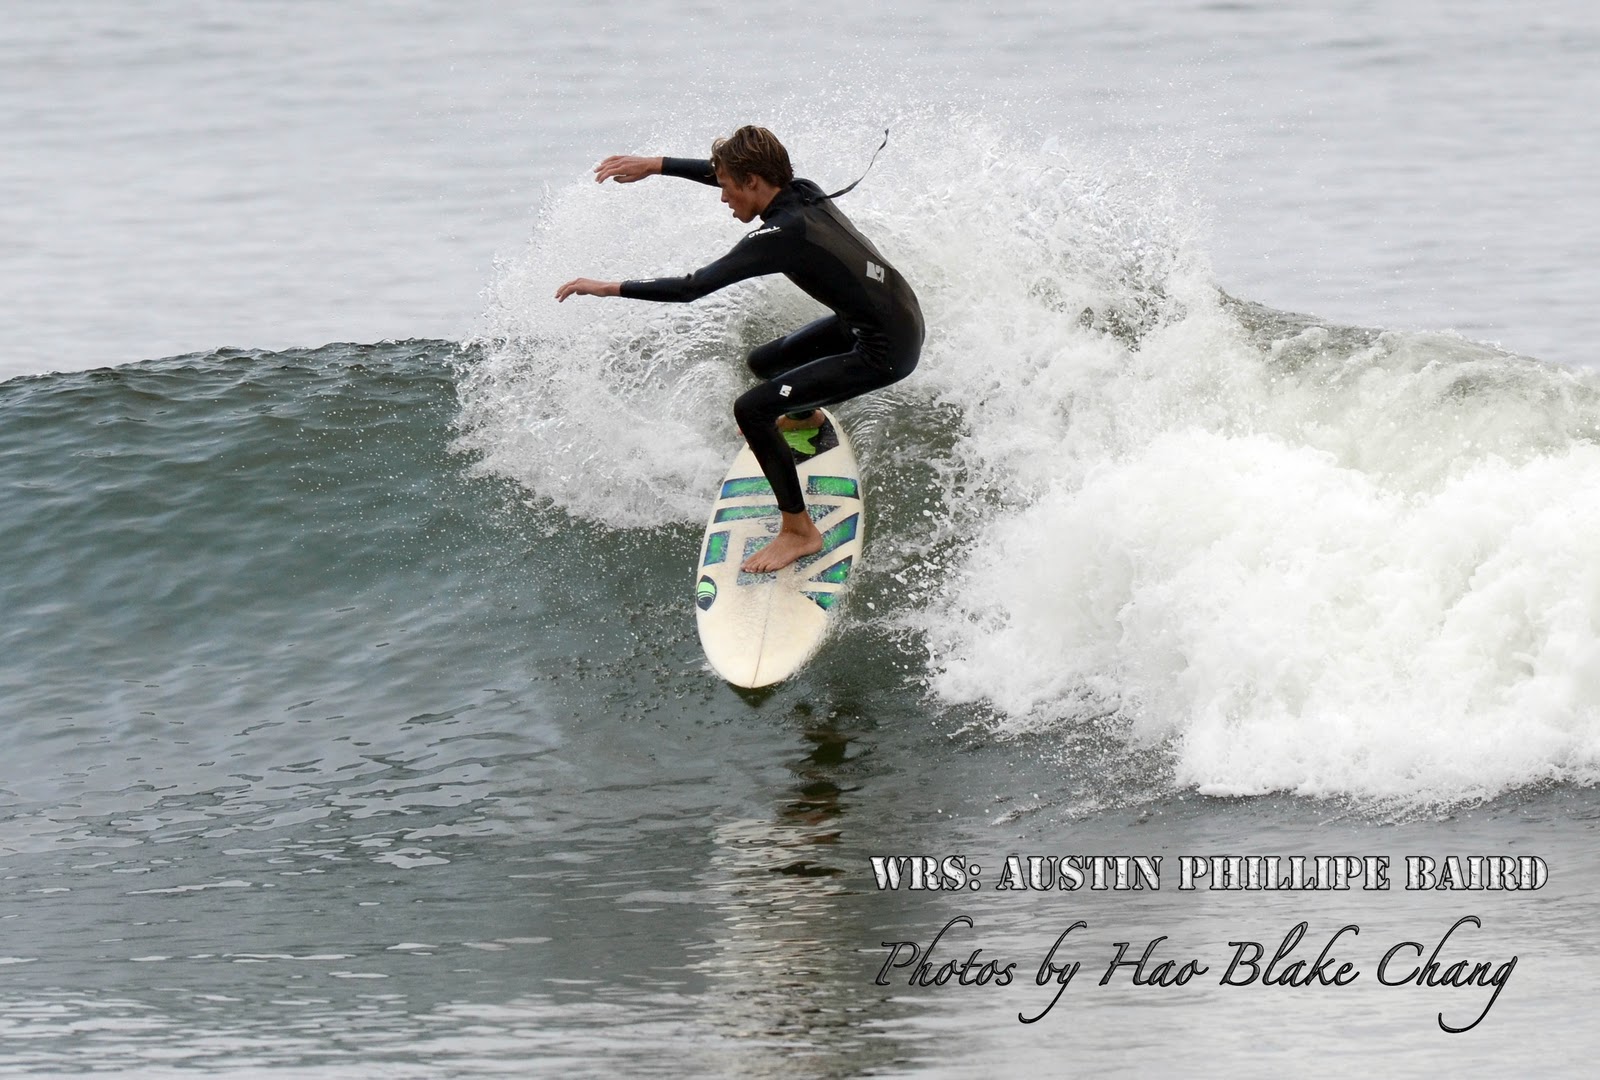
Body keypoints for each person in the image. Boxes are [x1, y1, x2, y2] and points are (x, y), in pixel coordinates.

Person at [556, 126, 924, 573]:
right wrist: (656, 165)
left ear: (752, 181)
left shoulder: (782, 234)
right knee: (764, 363)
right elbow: (731, 176)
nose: (722, 195)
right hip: (890, 315)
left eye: (727, 185)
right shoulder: (800, 192)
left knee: (751, 410)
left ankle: (798, 531)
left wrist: (608, 287)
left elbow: (693, 287)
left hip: (885, 348)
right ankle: (805, 412)